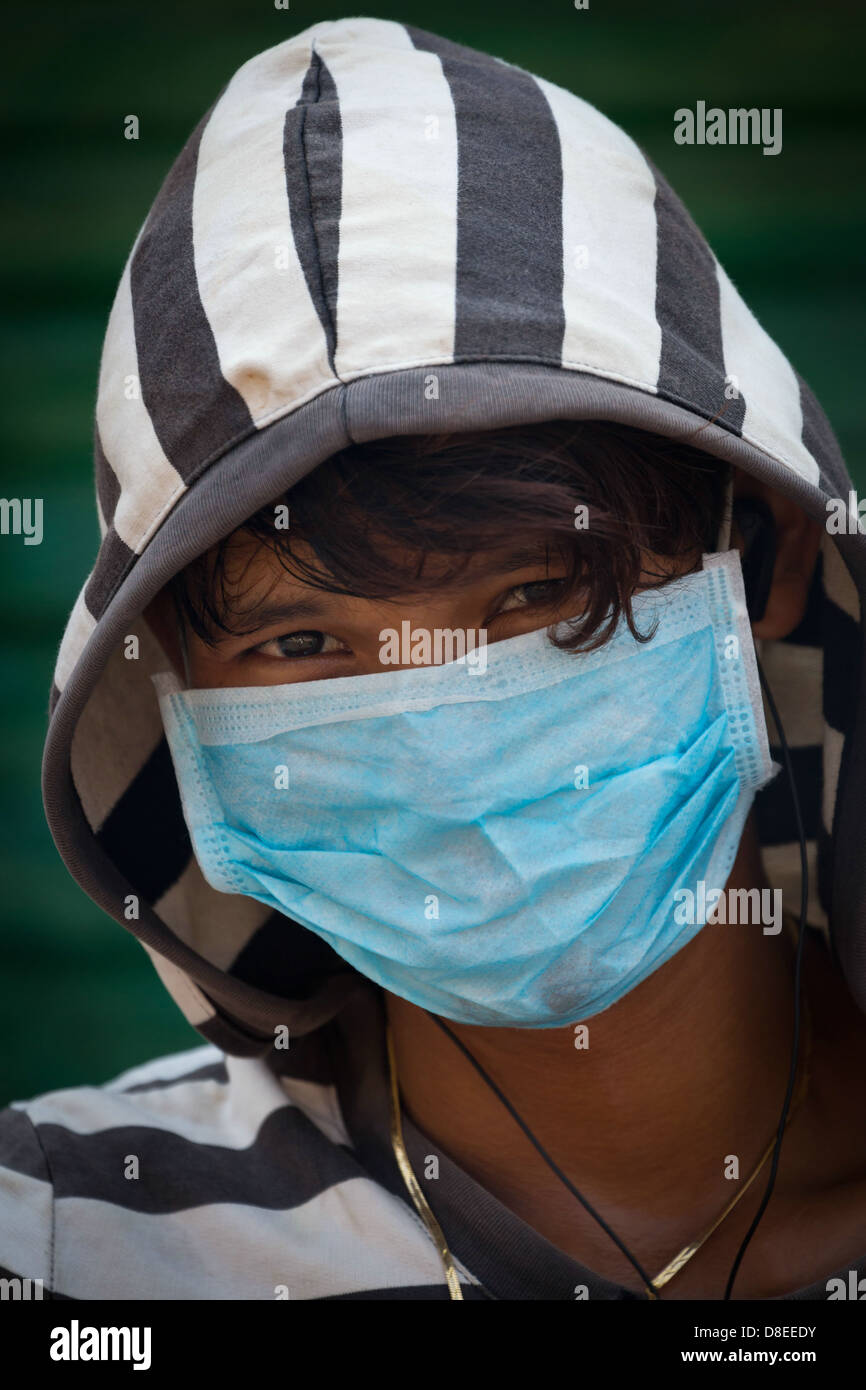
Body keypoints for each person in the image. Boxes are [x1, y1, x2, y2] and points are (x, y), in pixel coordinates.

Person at [2, 16, 865, 1302]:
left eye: (536, 594)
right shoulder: (65, 1239)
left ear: (765, 557)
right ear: (172, 699)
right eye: (303, 642)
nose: (439, 731)